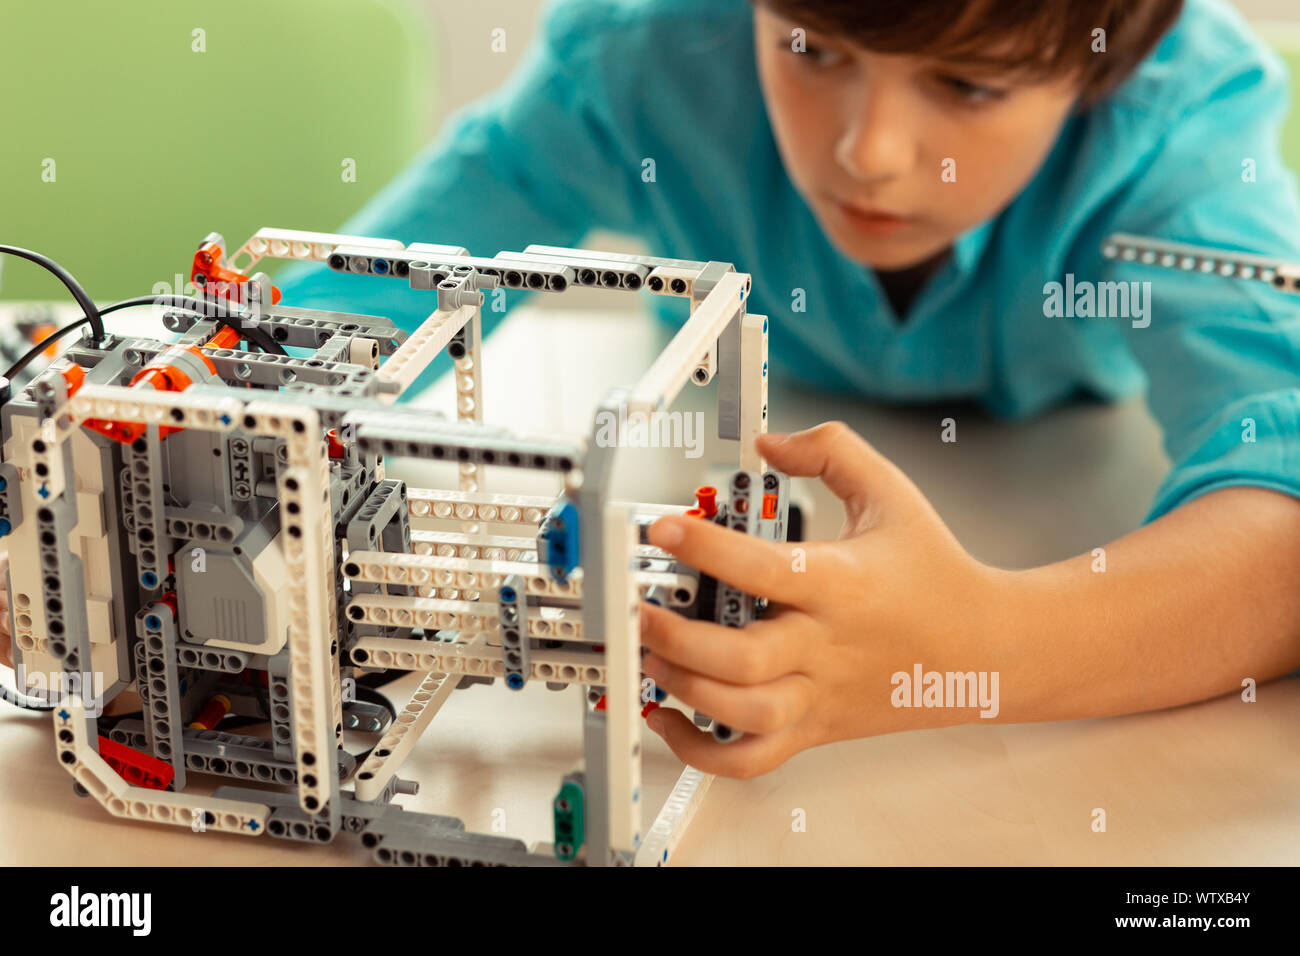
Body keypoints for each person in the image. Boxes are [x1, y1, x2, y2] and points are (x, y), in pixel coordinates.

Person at [12, 0, 1300, 780]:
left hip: (1060, 472)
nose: (870, 150)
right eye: (811, 45)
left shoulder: (1186, 123)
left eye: (967, 86)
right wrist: (96, 492)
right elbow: (360, 310)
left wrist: (974, 649)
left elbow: (1283, 525)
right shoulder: (642, 53)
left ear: (1101, 67)